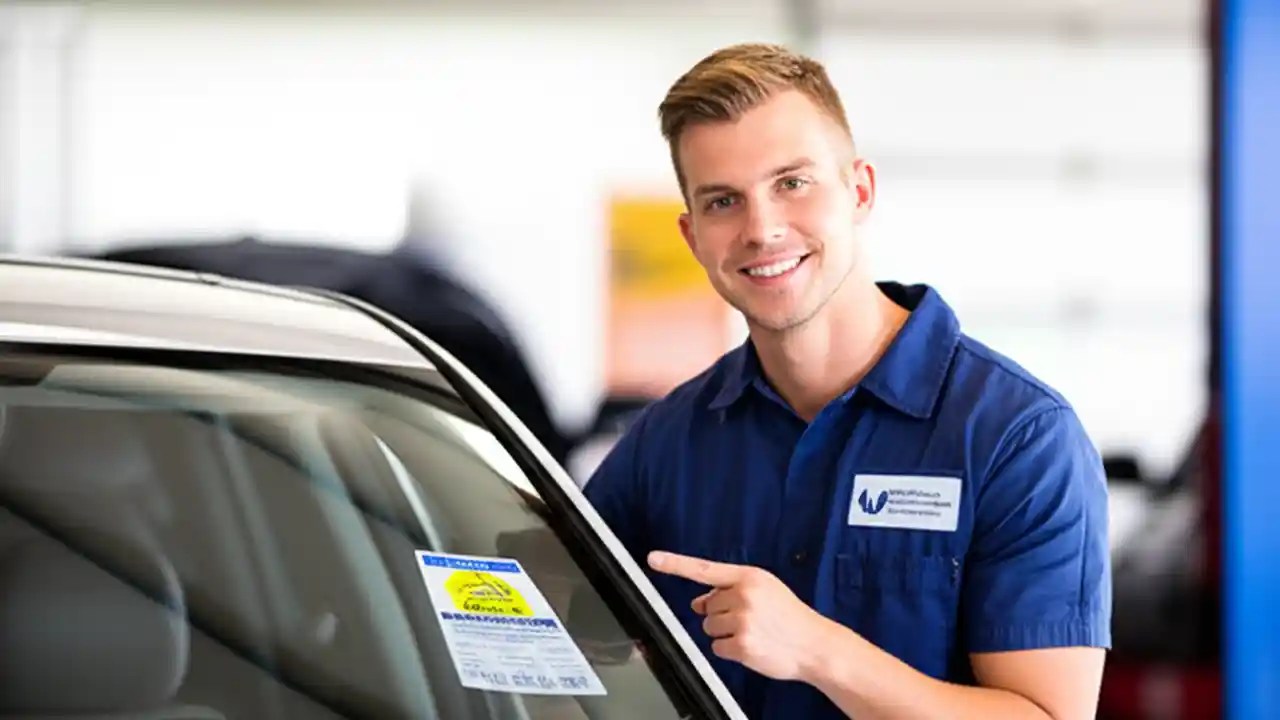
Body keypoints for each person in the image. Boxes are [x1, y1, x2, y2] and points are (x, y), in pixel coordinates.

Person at [583, 43, 1110, 720]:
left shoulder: (1017, 438)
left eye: (792, 183)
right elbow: (550, 634)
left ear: (859, 191)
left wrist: (816, 651)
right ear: (692, 236)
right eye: (723, 201)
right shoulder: (666, 445)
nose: (762, 228)